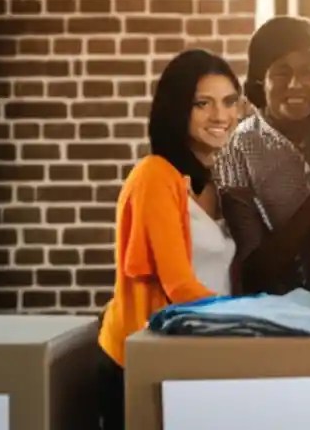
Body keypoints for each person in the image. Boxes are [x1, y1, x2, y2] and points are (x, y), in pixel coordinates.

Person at [96, 49, 242, 430]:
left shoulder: (215, 180)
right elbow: (178, 284)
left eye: (229, 102)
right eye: (202, 104)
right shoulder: (154, 175)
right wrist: (250, 318)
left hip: (198, 353)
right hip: (147, 360)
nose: (221, 116)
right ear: (178, 109)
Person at [214, 16, 310, 295]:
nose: (296, 84)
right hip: (279, 306)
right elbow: (254, 269)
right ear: (261, 80)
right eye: (282, 73)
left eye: (309, 71)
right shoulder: (238, 148)